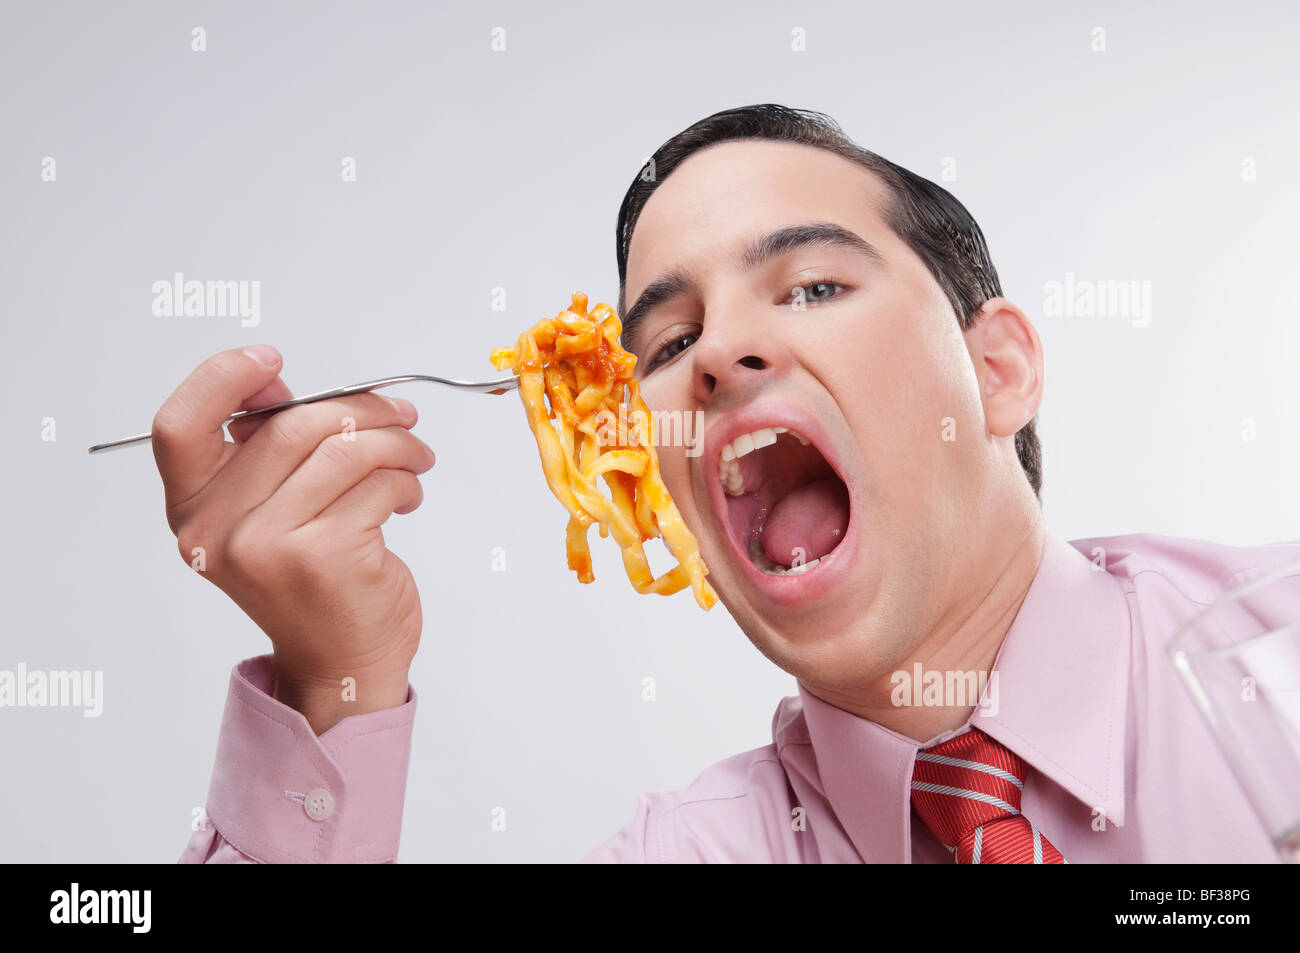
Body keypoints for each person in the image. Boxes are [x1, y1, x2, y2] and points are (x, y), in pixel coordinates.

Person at [160, 104, 1289, 863]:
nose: (715, 354)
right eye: (666, 343)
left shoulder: (1274, 649)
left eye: (807, 286)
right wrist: (334, 685)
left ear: (994, 370)